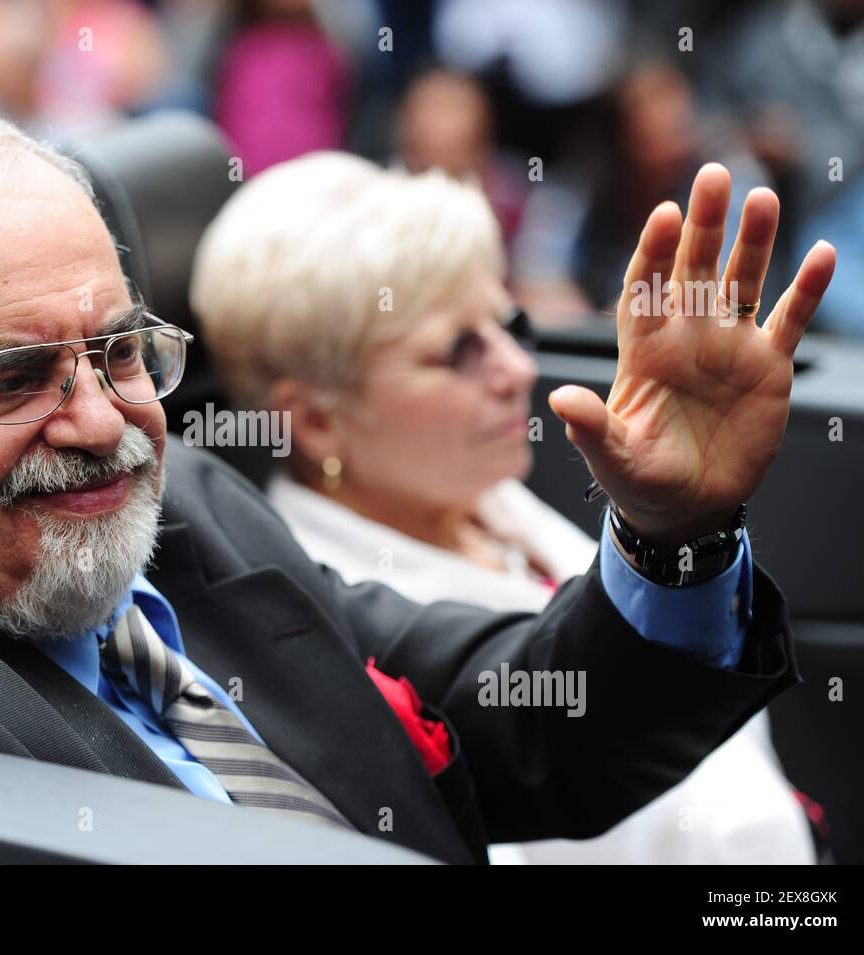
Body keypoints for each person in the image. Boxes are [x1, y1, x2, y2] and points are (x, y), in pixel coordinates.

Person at [0, 104, 835, 864]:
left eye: (120, 349)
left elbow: (517, 723)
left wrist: (669, 533)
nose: (99, 421)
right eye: (9, 377)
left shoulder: (184, 498)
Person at [189, 151, 817, 863]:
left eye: (510, 323)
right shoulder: (320, 616)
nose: (518, 368)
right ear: (316, 419)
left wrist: (681, 531)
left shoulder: (481, 496)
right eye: (458, 351)